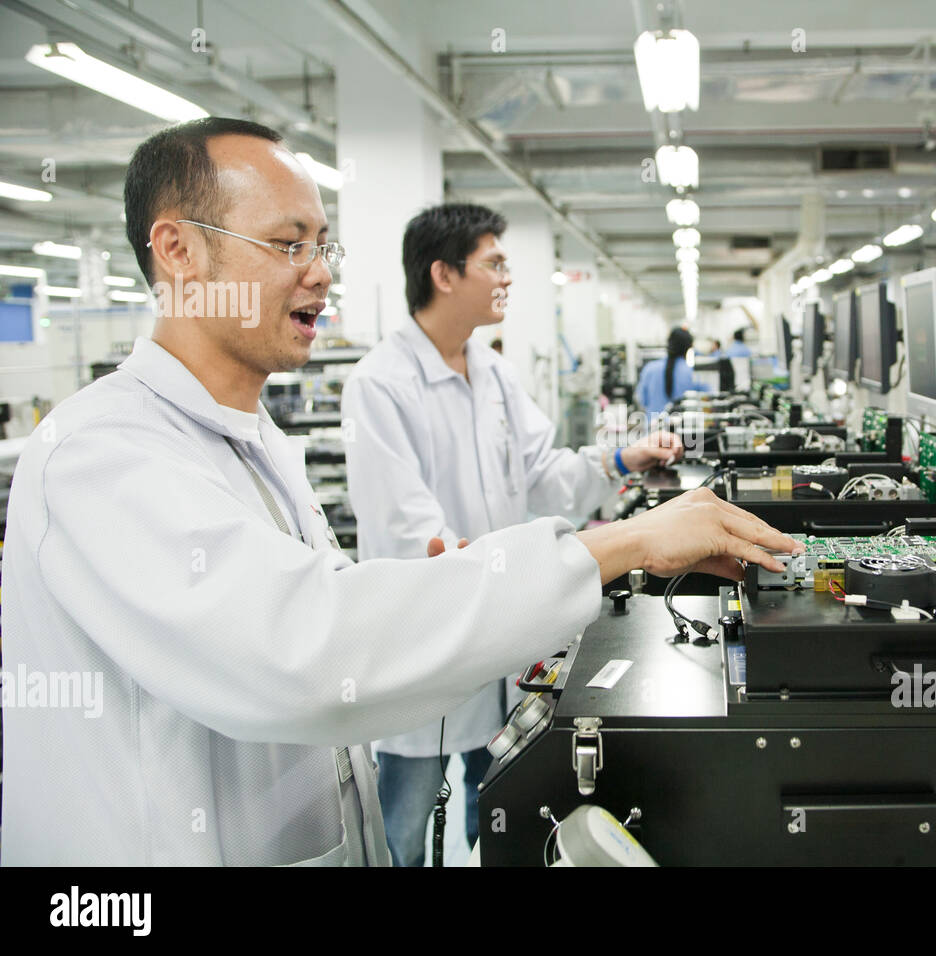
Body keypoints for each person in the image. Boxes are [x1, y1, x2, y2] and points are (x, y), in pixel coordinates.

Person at [0, 117, 800, 866]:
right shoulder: (100, 455)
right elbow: (308, 647)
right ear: (177, 251)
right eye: (287, 244)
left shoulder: (257, 441)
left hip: (438, 665)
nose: (320, 274)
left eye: (324, 246)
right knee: (417, 796)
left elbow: (351, 605)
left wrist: (608, 487)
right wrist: (616, 547)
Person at [340, 203, 684, 865]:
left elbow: (542, 475)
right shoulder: (381, 385)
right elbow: (411, 531)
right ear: (443, 273)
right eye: (493, 263)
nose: (506, 277)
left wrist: (619, 460)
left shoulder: (494, 373)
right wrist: (522, 572)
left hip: (499, 641)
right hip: (427, 642)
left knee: (493, 804)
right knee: (406, 827)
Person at [635, 326, 710, 417]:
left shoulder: (649, 369)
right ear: (689, 347)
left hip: (654, 428)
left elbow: (642, 400)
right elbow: (707, 403)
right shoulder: (694, 373)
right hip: (685, 428)